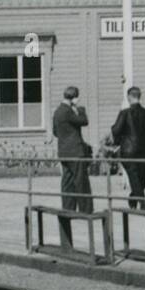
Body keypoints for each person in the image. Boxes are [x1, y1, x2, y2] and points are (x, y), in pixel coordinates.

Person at [51, 86, 92, 245]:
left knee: (67, 180)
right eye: (77, 98)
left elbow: (55, 132)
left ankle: (68, 207)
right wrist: (81, 109)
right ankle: (85, 209)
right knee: (81, 179)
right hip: (75, 151)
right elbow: (84, 121)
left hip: (64, 151)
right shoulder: (69, 111)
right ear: (73, 98)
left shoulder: (57, 112)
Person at [109, 86, 145, 209]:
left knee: (133, 176)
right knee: (141, 177)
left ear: (129, 97)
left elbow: (116, 130)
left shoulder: (124, 113)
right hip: (144, 149)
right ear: (139, 96)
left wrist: (118, 140)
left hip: (128, 150)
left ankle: (139, 199)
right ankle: (136, 198)